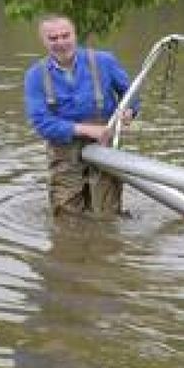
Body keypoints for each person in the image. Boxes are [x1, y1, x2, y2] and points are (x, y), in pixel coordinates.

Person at [23, 14, 138, 217]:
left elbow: (131, 94)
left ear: (75, 35)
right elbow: (41, 123)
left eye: (65, 35)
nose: (60, 42)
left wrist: (129, 110)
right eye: (53, 38)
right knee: (66, 216)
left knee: (106, 213)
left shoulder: (105, 61)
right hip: (63, 150)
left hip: (105, 145)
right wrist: (85, 129)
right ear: (44, 41)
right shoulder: (35, 75)